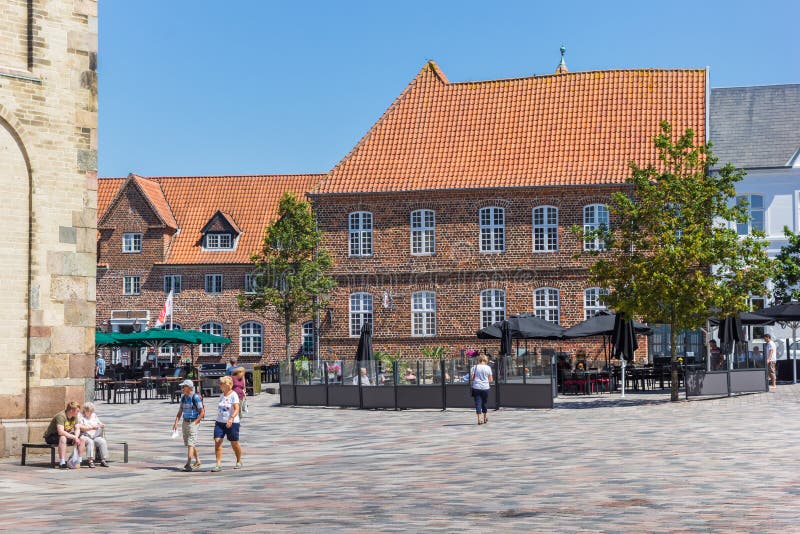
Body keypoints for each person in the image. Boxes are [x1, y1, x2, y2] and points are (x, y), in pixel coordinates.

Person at [172, 379, 205, 472]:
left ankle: (188, 463)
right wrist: (175, 423)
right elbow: (179, 412)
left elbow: (202, 412)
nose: (182, 388)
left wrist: (196, 422)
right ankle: (198, 461)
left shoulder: (195, 398)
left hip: (193, 422)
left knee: (191, 443)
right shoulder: (183, 398)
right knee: (189, 443)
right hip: (185, 422)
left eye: (184, 386)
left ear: (189, 388)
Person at [43, 401, 86, 469]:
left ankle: (78, 461)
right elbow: (60, 432)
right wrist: (74, 437)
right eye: (77, 411)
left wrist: (76, 437)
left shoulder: (74, 416)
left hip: (65, 435)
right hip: (52, 436)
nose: (78, 412)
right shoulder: (61, 416)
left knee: (82, 439)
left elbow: (77, 428)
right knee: (63, 437)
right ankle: (62, 462)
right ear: (71, 410)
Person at [212, 375, 242, 472]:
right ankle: (218, 464)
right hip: (220, 422)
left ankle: (238, 460)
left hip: (232, 423)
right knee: (217, 441)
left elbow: (237, 408)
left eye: (221, 383)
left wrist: (231, 419)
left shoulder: (233, 395)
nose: (220, 385)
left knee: (234, 443)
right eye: (220, 383)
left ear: (228, 385)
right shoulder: (222, 395)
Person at [78, 402, 109, 468]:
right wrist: (91, 428)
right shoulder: (80, 416)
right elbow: (81, 428)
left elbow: (99, 423)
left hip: (95, 435)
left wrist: (101, 425)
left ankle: (103, 460)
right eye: (89, 411)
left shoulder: (94, 415)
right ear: (85, 410)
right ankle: (90, 461)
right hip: (85, 435)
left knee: (102, 441)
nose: (91, 413)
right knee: (90, 442)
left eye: (92, 411)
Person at [470, 354, 493, 425]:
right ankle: (485, 417)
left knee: (478, 403)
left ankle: (479, 419)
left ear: (479, 360)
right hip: (485, 387)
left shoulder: (474, 367)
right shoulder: (488, 368)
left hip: (477, 387)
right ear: (485, 360)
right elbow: (491, 379)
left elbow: (472, 378)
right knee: (484, 403)